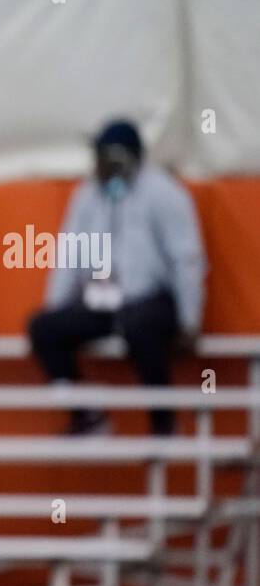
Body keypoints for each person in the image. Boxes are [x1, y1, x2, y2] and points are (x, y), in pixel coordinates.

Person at [28, 120, 207, 435]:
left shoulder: (164, 193)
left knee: (140, 325)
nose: (97, 164)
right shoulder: (88, 195)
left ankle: (164, 421)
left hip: (151, 300)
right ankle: (86, 415)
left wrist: (190, 320)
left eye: (103, 156)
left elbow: (186, 260)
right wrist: (56, 307)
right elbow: (70, 255)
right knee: (44, 328)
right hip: (105, 300)